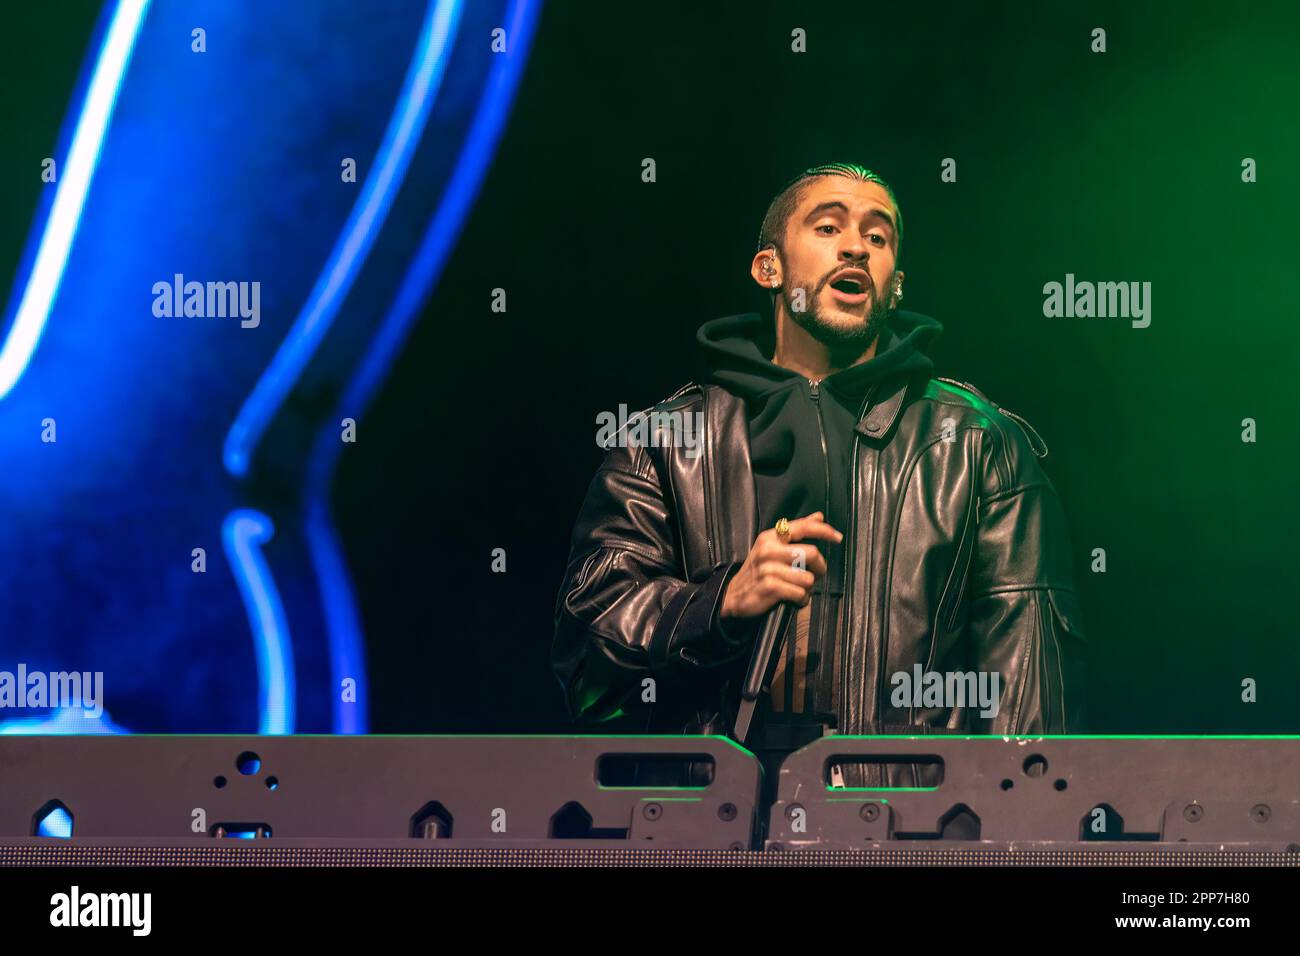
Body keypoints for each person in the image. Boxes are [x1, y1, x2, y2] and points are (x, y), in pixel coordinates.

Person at [551, 162, 1088, 805]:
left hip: (905, 835)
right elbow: (587, 657)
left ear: (894, 288)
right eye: (828, 225)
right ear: (769, 268)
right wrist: (719, 604)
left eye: (879, 237)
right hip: (700, 830)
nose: (856, 245)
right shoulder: (664, 443)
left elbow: (1028, 704)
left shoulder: (979, 444)